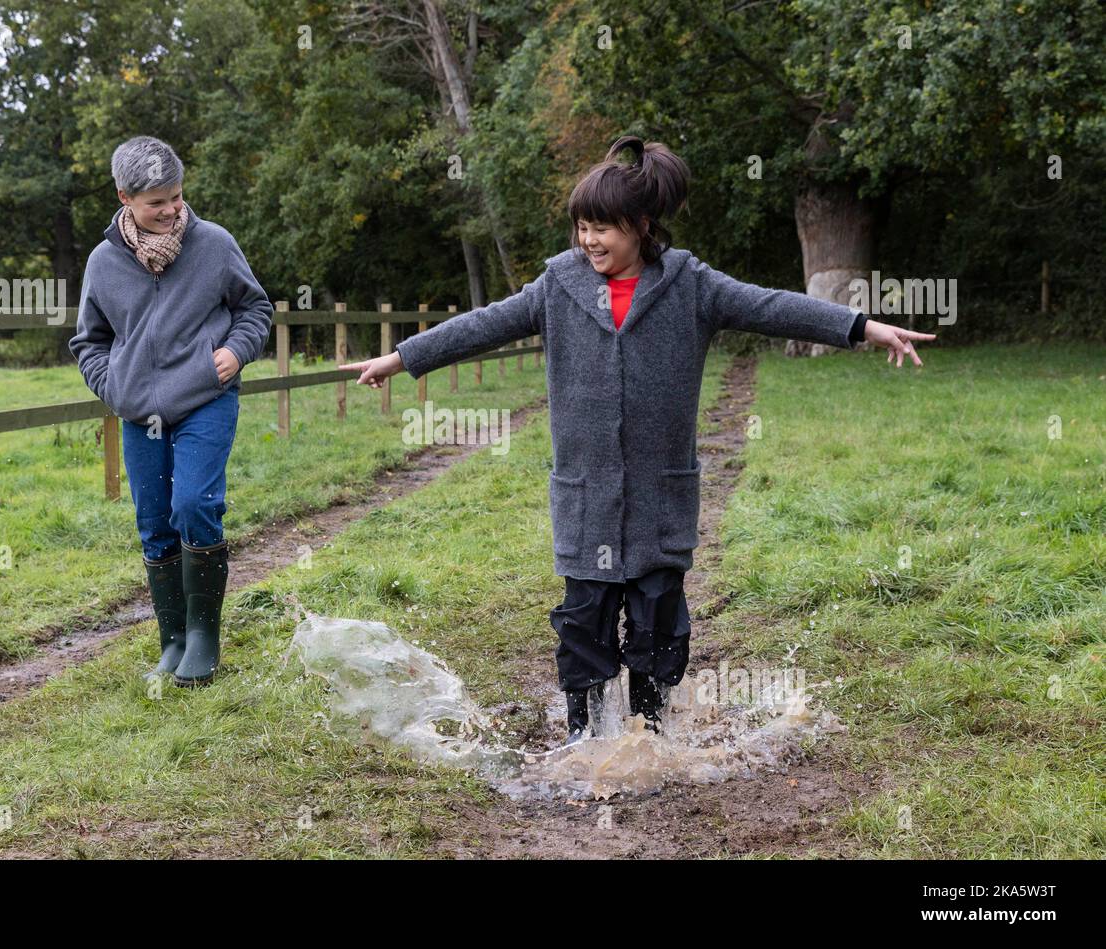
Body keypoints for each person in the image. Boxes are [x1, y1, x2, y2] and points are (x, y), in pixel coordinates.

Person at [341, 135, 935, 744]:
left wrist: (862, 326)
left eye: (602, 227)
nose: (589, 241)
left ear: (641, 226)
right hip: (586, 499)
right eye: (582, 227)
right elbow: (482, 324)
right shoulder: (558, 286)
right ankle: (586, 746)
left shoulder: (690, 284)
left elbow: (772, 306)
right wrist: (403, 357)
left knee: (657, 633)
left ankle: (652, 744)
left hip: (660, 502)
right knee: (584, 632)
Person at [69, 135, 272, 687]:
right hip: (138, 412)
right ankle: (173, 639)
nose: (171, 210)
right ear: (125, 198)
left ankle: (205, 637)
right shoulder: (104, 262)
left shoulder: (213, 244)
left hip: (206, 397)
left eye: (176, 197)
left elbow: (255, 307)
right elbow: (89, 340)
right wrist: (115, 389)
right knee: (153, 522)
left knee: (194, 505)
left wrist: (234, 351)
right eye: (156, 201)